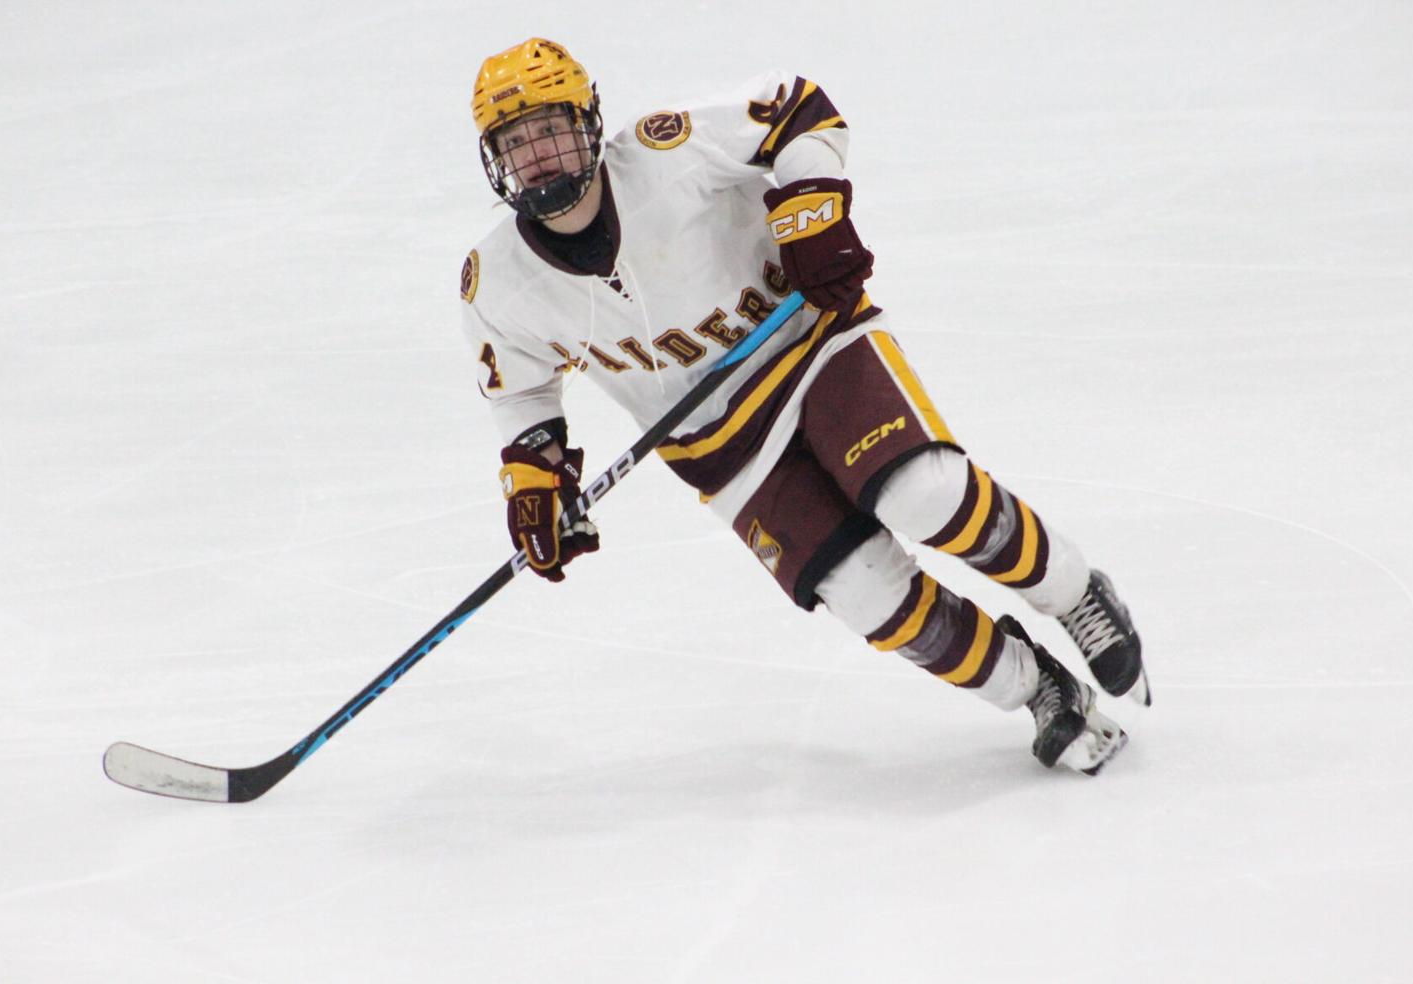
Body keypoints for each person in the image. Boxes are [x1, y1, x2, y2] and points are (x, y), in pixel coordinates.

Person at [457, 38, 1149, 775]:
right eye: (516, 141)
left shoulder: (666, 156)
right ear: (494, 161)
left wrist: (811, 208)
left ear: (589, 124)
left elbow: (796, 108)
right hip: (717, 448)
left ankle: (1072, 592)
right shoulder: (494, 284)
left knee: (924, 494)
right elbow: (521, 391)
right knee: (867, 594)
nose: (538, 155)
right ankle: (1038, 687)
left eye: (550, 129)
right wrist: (536, 480)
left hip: (811, 345)